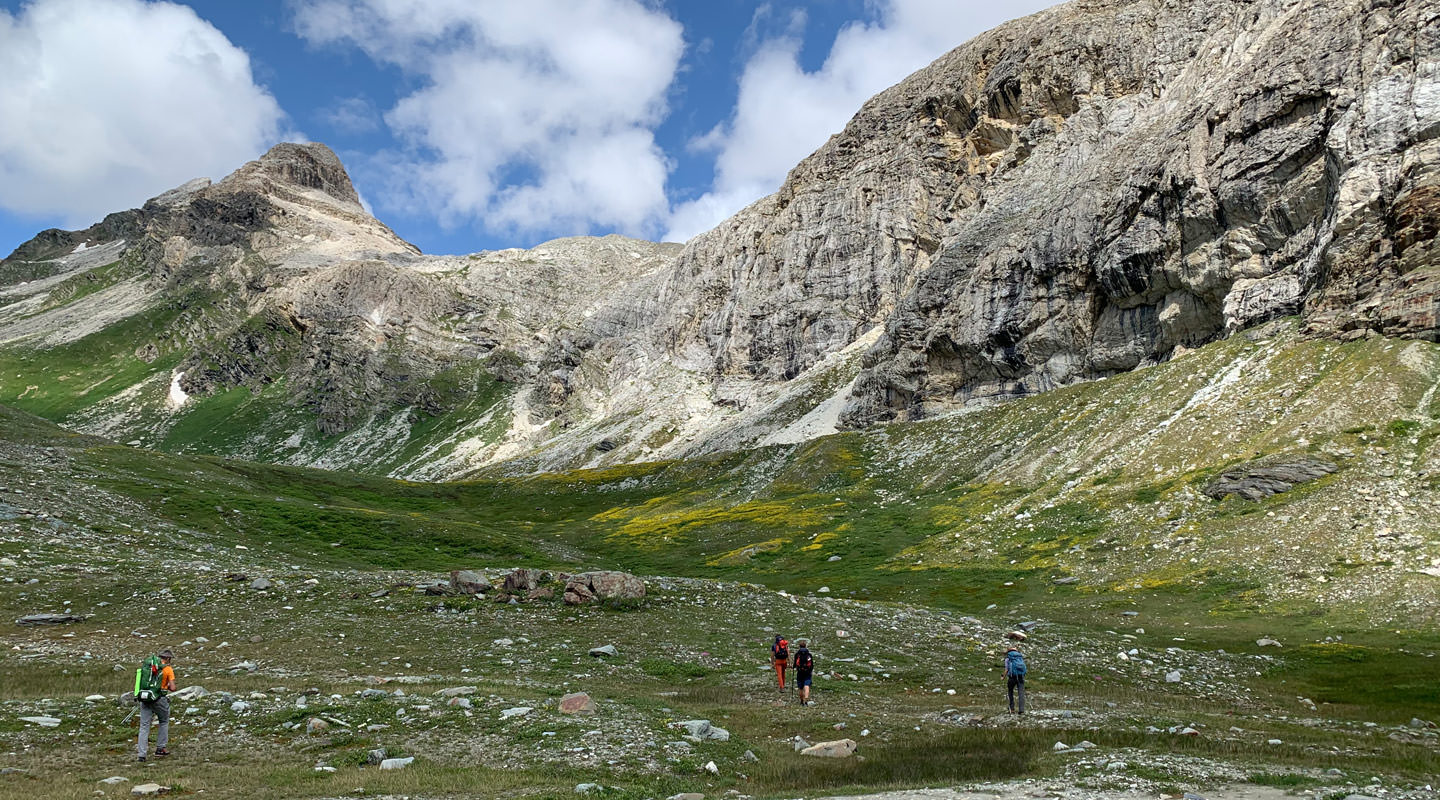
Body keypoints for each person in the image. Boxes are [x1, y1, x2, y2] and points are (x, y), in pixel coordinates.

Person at [136, 648, 176, 761]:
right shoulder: (167, 669)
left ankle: (141, 755)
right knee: (163, 721)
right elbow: (173, 688)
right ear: (167, 658)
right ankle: (160, 749)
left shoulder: (147, 666)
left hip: (145, 698)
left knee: (144, 726)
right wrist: (165, 686)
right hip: (159, 699)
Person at [1004, 646, 1026, 714]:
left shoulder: (1008, 658)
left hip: (1012, 677)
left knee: (1010, 691)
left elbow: (1007, 669)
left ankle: (1012, 708)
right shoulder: (1020, 657)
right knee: (1021, 693)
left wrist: (1003, 676)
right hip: (1021, 676)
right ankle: (1021, 710)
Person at [792, 639, 814, 706]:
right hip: (807, 672)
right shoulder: (809, 654)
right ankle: (806, 700)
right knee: (807, 686)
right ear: (805, 646)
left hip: (800, 672)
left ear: (799, 646)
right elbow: (812, 664)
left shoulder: (797, 654)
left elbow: (795, 664)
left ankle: (801, 701)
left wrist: (794, 667)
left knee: (800, 688)